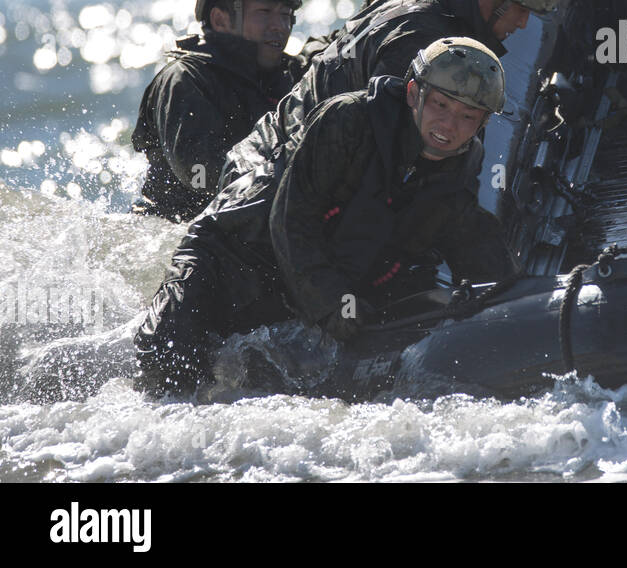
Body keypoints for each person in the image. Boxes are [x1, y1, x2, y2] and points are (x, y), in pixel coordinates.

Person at [134, 37, 517, 397]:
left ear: (483, 123)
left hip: (302, 287)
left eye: (468, 116)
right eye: (441, 106)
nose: (449, 127)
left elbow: (468, 234)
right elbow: (290, 219)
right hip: (232, 259)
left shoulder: (462, 162)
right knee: (166, 362)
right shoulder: (348, 120)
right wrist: (333, 303)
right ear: (414, 94)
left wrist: (511, 299)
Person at [291, 0, 561, 121]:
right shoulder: (423, 41)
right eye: (520, 9)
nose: (523, 23)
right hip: (280, 166)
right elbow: (376, 145)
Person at [130, 0, 303, 222]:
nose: (279, 27)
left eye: (285, 15)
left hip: (253, 230)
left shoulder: (285, 75)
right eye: (264, 13)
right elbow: (198, 174)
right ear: (221, 19)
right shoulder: (186, 80)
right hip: (178, 235)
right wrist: (284, 171)